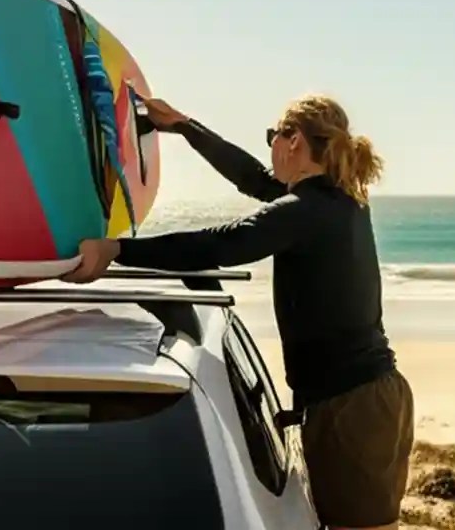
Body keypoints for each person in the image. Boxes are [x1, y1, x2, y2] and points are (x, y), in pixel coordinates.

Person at [62, 93, 414, 530]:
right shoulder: (334, 203)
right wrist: (184, 126)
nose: (271, 150)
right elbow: (253, 179)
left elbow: (224, 243)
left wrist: (117, 250)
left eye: (272, 137)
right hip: (366, 399)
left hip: (352, 409)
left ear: (294, 141)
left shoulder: (309, 211)